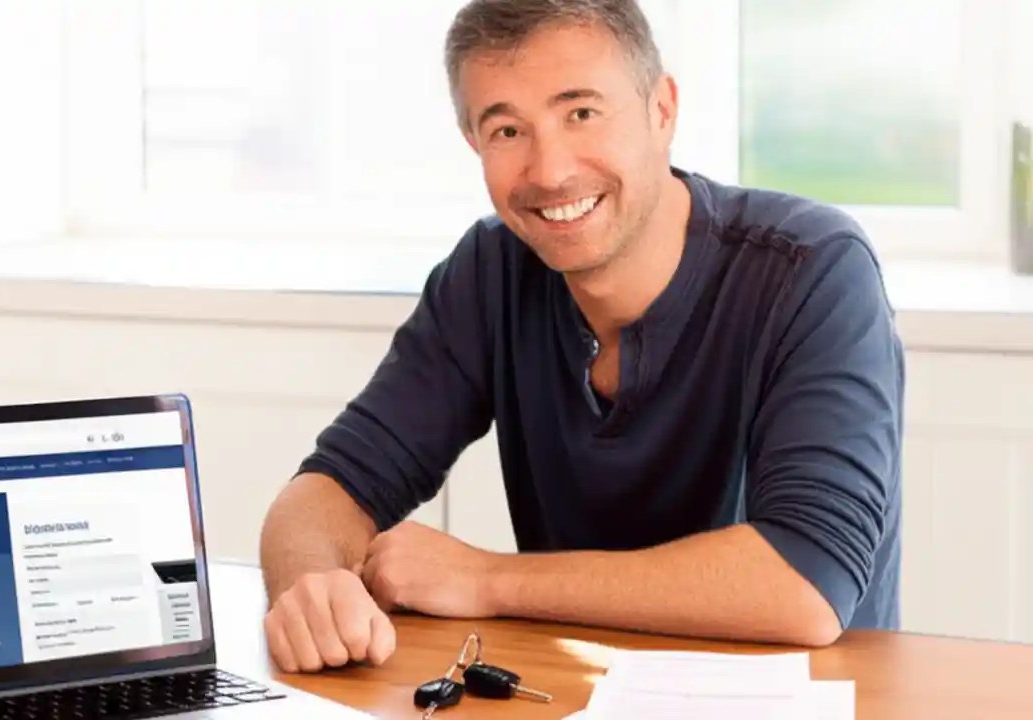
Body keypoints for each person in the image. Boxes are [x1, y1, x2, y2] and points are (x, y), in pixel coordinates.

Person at [259, 0, 903, 673]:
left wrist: (487, 581)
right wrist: (311, 586)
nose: (550, 171)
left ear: (662, 110)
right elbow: (329, 488)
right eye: (507, 131)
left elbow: (805, 584)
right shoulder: (490, 272)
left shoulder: (813, 269)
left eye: (581, 113)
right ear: (474, 145)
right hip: (573, 694)